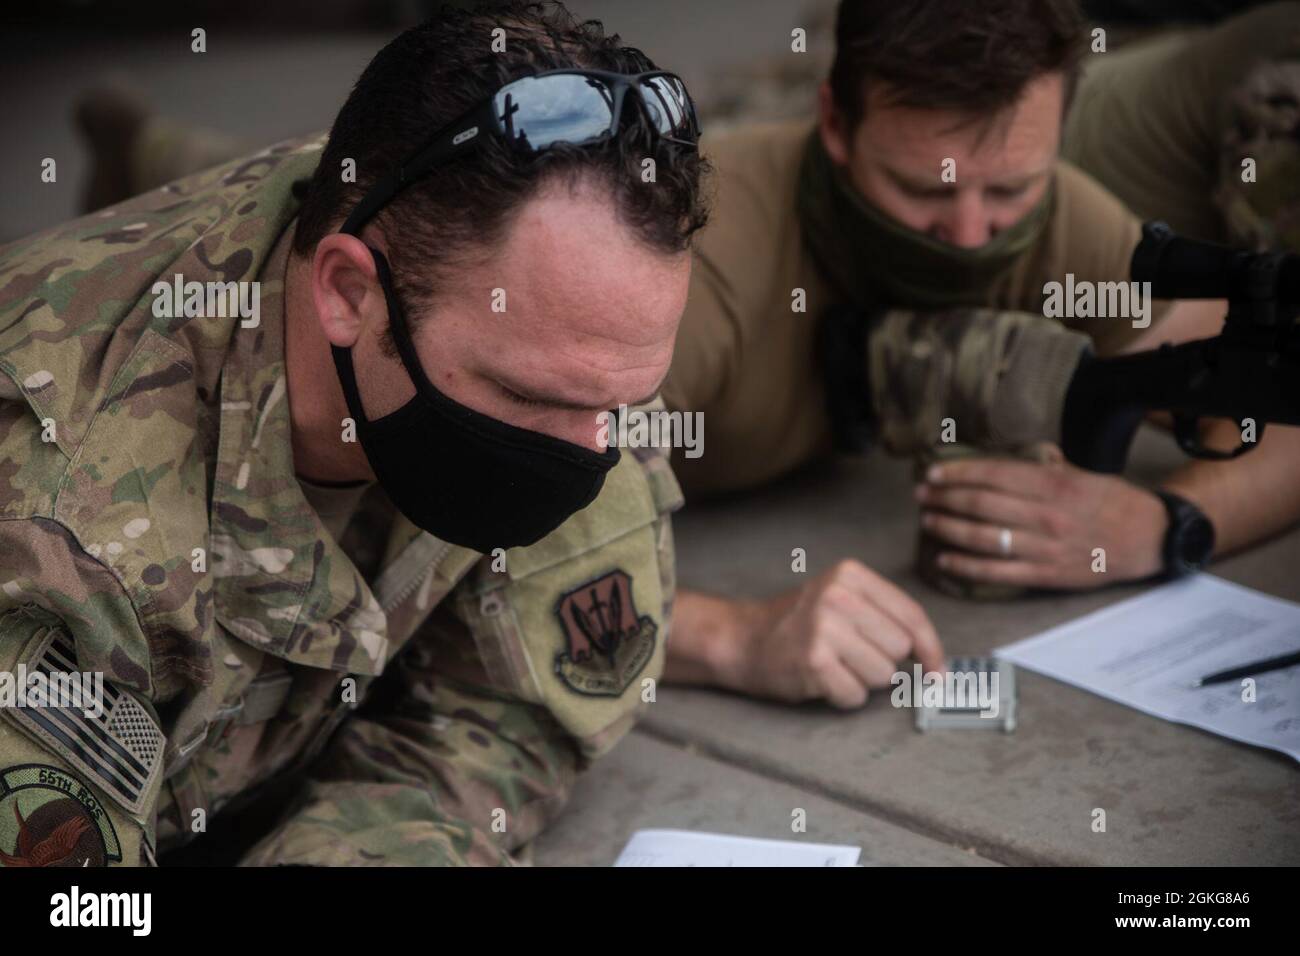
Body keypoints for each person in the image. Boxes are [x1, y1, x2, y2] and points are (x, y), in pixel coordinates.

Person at [0, 1, 708, 867]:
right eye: (524, 395)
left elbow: (511, 718)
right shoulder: (60, 522)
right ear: (346, 294)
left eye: (622, 404)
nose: (594, 448)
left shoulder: (561, 335)